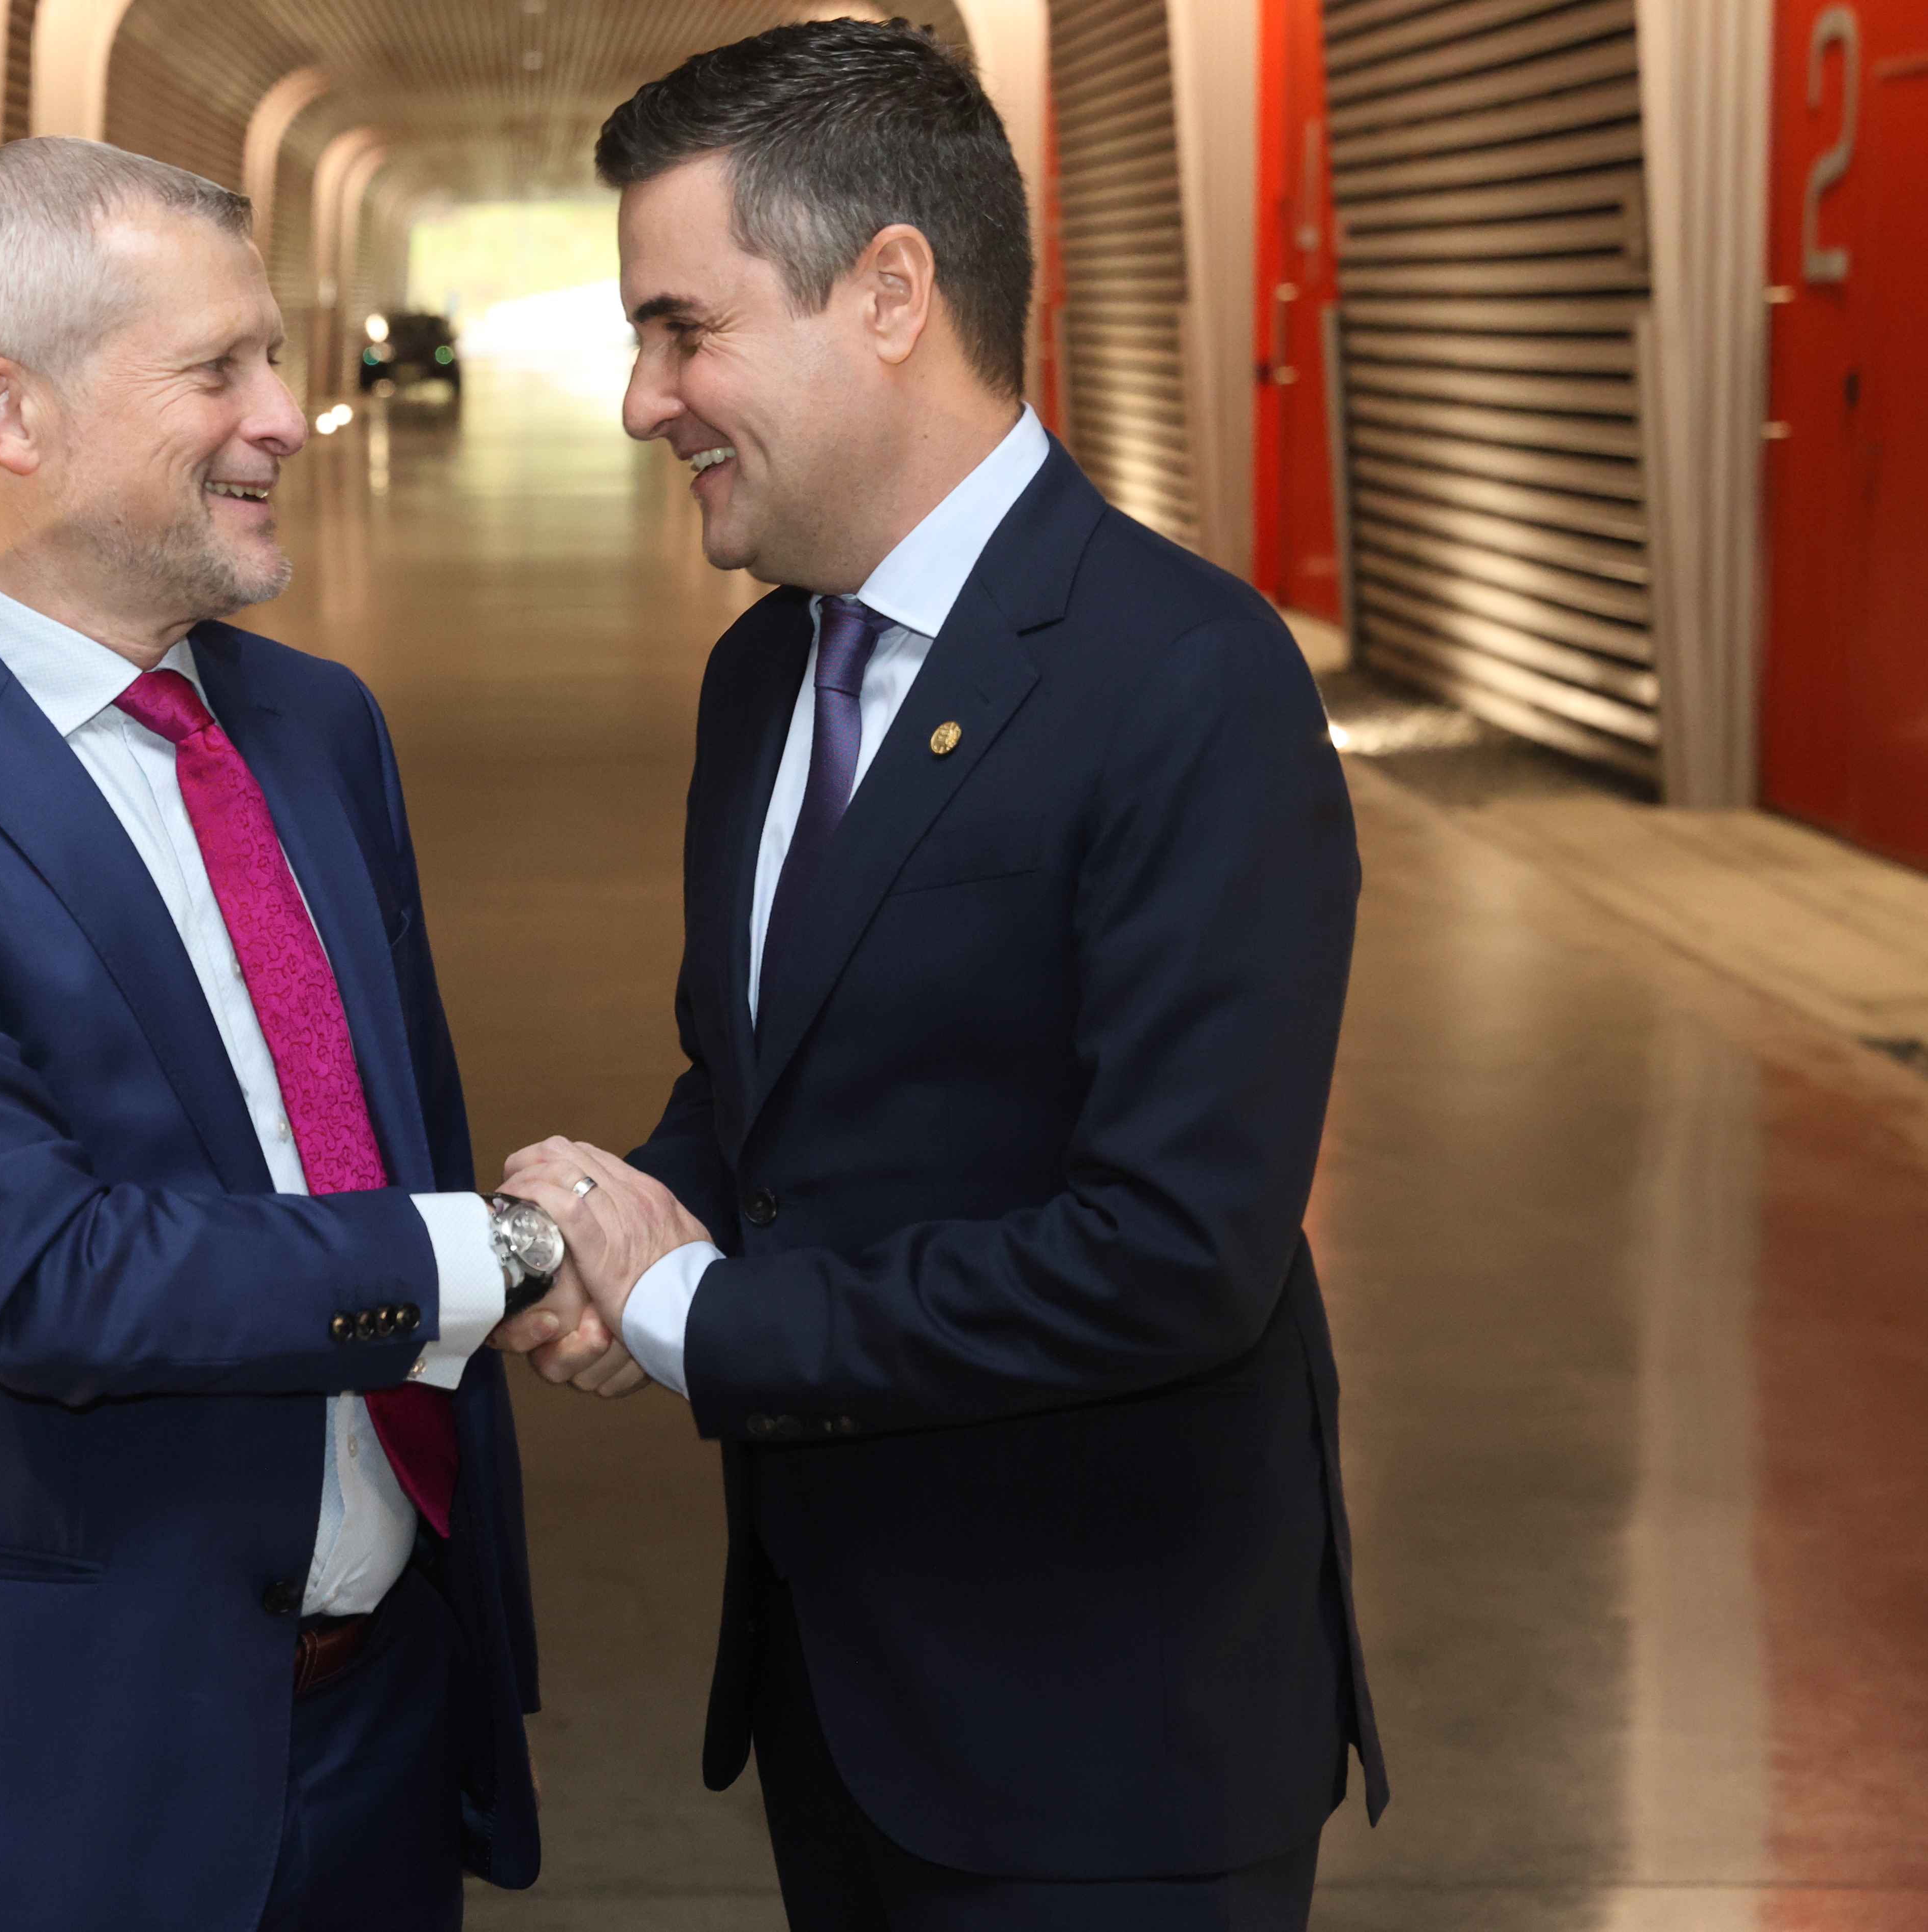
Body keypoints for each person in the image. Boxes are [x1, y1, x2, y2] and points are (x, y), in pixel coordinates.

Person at [492, 21, 1388, 1931]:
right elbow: (770, 1086)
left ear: (888, 291)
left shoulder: (1185, 684)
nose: (644, 400)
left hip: (1104, 1751)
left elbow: (1171, 1249)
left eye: (681, 327)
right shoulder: (765, 673)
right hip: (851, 1697)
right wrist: (614, 1217)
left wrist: (695, 1319)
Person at [0, 138, 572, 1931]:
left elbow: (376, 1142)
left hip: (377, 1720)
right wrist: (520, 1251)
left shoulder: (318, 729)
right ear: (5, 408)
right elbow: (40, 1275)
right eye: (219, 368)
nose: (289, 418)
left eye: (279, 359)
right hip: (38, 1774)